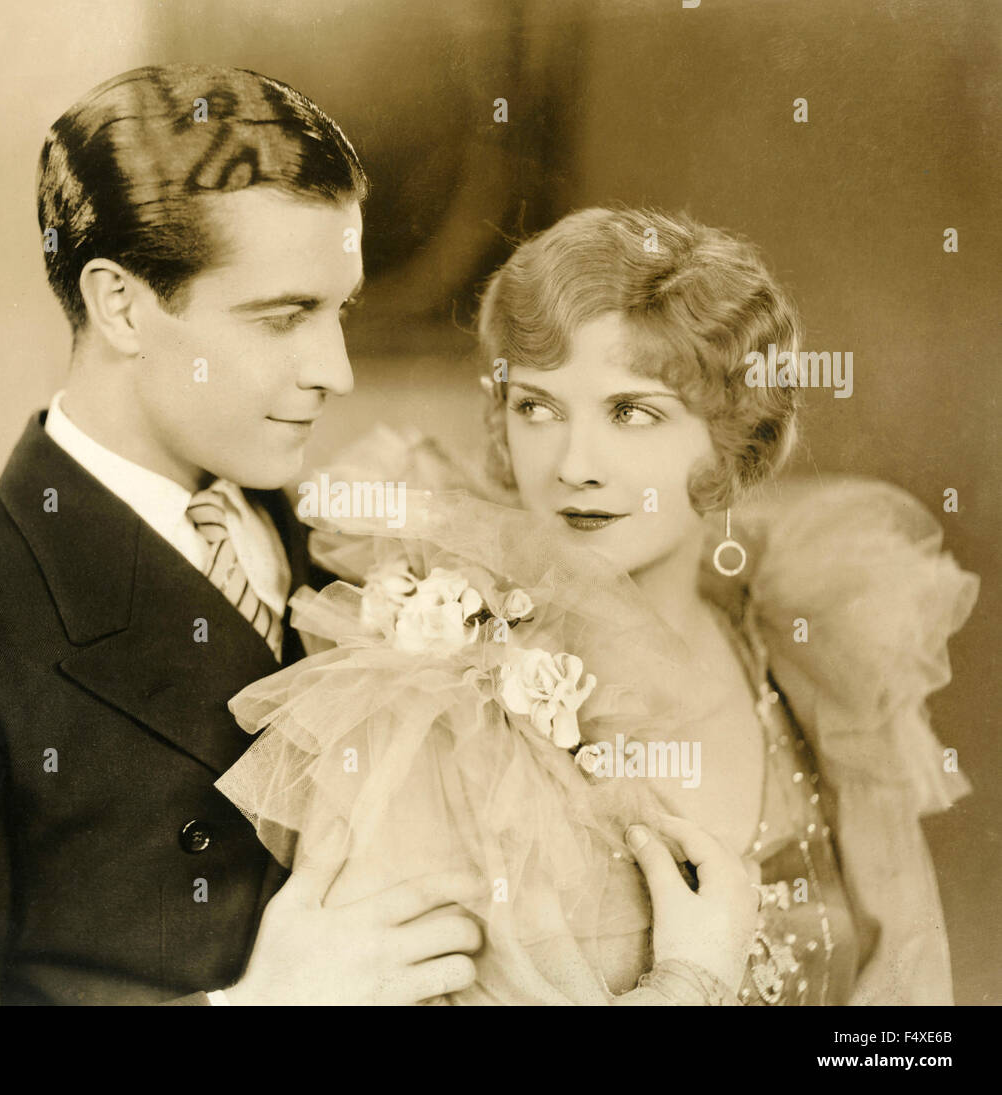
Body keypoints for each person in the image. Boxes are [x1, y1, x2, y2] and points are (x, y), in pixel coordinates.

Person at [0, 64, 483, 1006]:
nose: (338, 371)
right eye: (284, 318)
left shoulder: (354, 556)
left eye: (340, 310)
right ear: (120, 304)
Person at [216, 206, 978, 1004]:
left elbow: (911, 1020)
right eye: (537, 408)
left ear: (732, 442)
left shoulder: (812, 655)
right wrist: (687, 984)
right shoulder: (433, 711)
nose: (575, 463)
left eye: (631, 411)